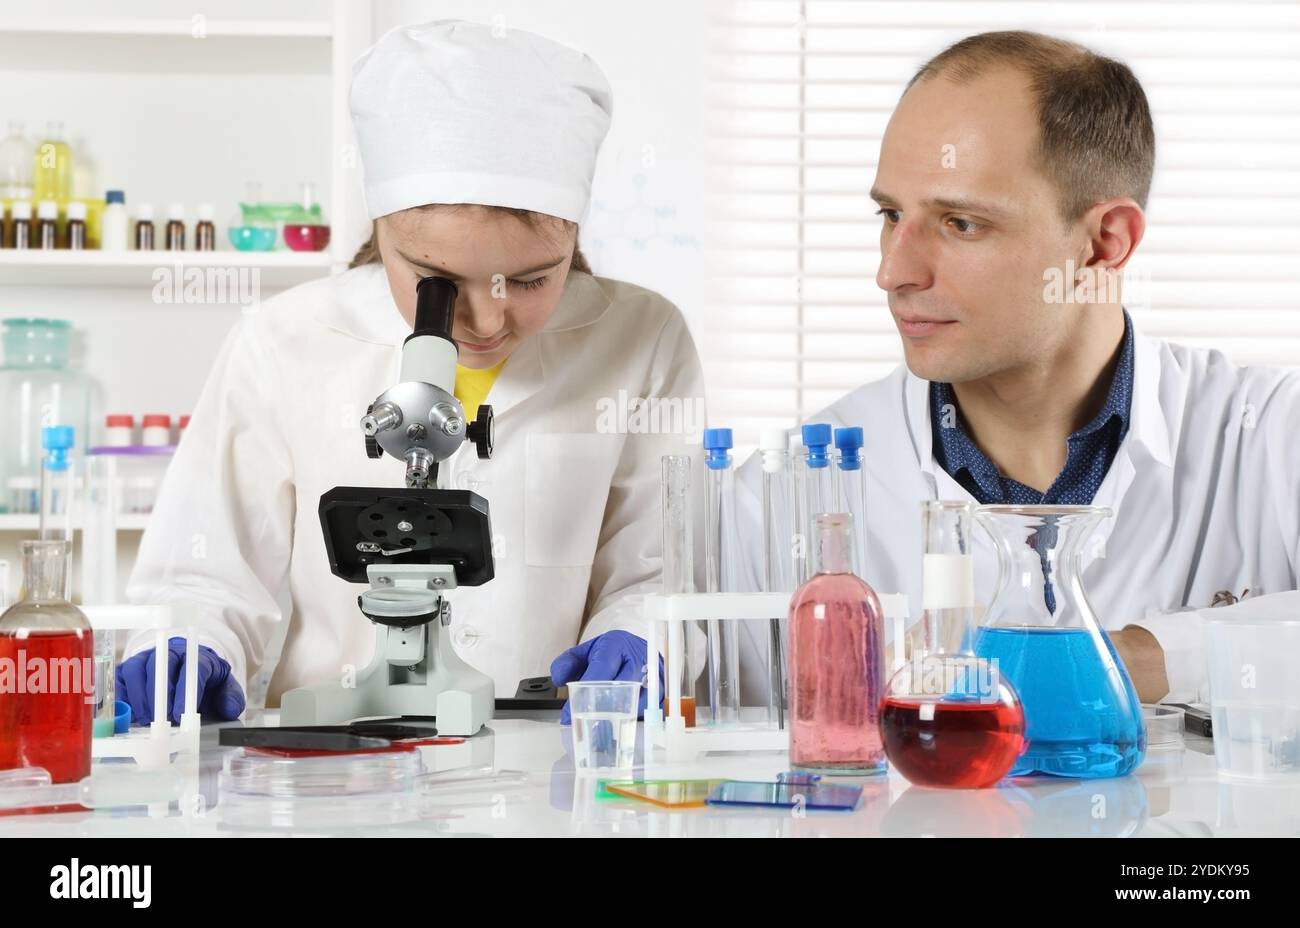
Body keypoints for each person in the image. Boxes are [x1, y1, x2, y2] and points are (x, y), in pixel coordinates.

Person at [116, 20, 704, 724]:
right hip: (337, 766)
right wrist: (187, 643)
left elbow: (657, 569)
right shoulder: (285, 341)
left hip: (545, 762)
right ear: (383, 234)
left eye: (529, 280)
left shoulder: (641, 339)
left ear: (574, 234)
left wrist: (640, 635)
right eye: (438, 281)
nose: (488, 323)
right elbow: (205, 572)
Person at [737, 31, 1299, 704]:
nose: (893, 271)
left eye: (962, 224)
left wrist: (1131, 660)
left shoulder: (1265, 430)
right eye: (890, 214)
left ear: (1103, 244)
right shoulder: (791, 492)